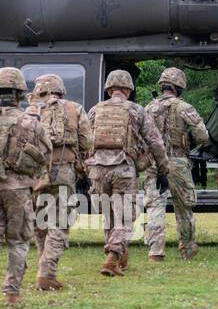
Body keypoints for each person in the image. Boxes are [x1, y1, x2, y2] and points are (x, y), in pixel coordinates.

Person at [0, 68, 51, 306]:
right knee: (18, 241)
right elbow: (46, 154)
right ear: (20, 93)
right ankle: (12, 292)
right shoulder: (30, 122)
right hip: (19, 189)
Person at [85, 70, 168, 276]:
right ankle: (113, 257)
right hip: (123, 168)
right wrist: (163, 169)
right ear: (129, 90)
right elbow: (155, 142)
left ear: (109, 89)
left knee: (109, 216)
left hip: (97, 169)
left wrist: (84, 169)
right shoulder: (136, 110)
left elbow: (84, 140)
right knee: (125, 216)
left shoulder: (95, 110)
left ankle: (119, 257)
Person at [30, 73, 92, 291]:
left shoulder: (30, 110)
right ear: (61, 90)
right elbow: (86, 141)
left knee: (40, 221)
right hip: (63, 170)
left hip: (35, 173)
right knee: (61, 221)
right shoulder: (73, 109)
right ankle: (47, 273)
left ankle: (42, 265)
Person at [141, 67, 209, 261]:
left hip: (154, 163)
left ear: (162, 86)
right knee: (184, 207)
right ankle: (187, 248)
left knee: (155, 205)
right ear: (179, 87)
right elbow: (203, 136)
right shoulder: (184, 107)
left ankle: (155, 251)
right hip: (177, 162)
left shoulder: (148, 107)